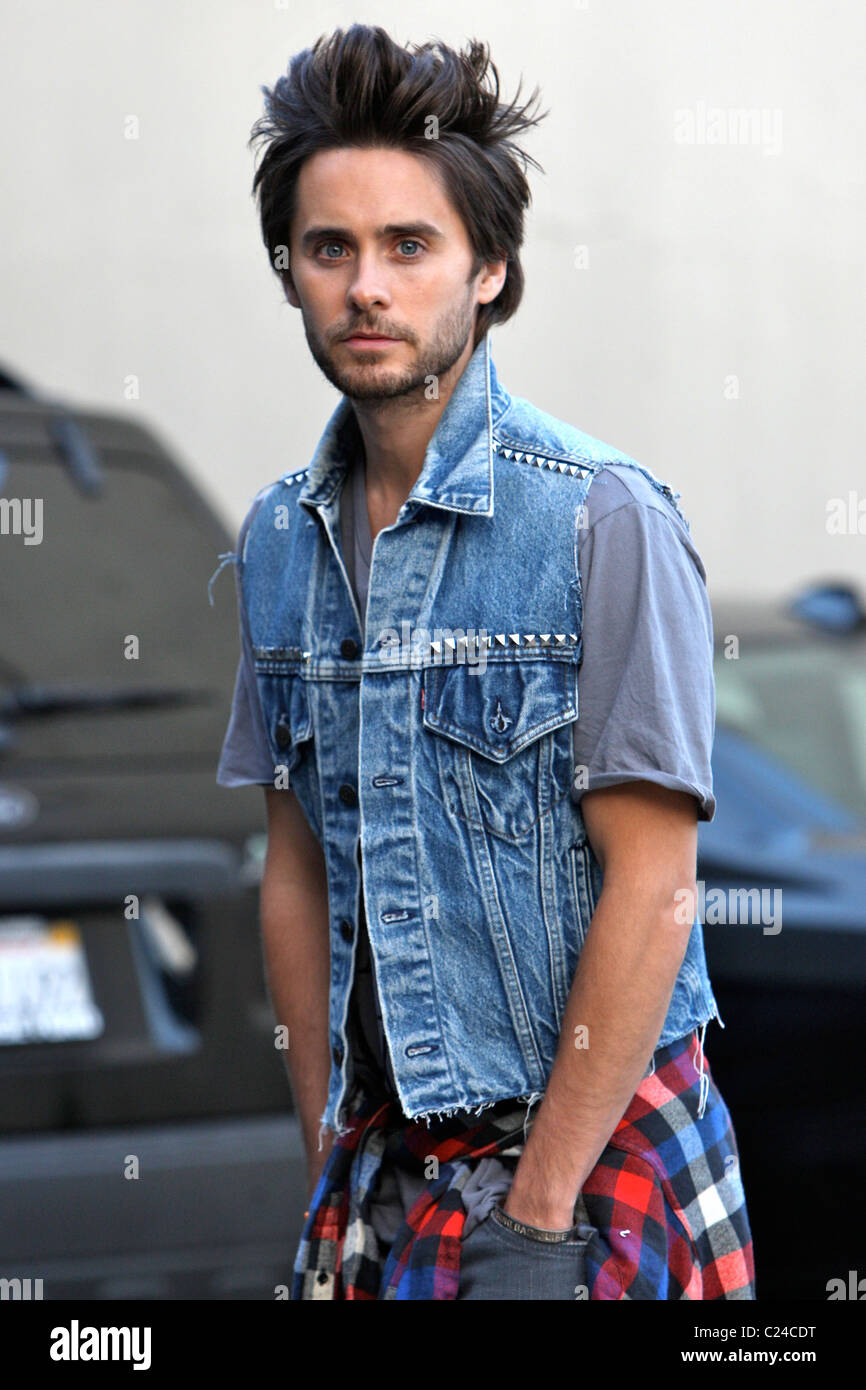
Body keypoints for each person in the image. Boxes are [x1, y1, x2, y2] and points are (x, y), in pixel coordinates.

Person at [213, 23, 755, 1300]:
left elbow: (656, 881)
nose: (366, 288)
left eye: (410, 245)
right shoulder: (278, 541)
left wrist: (541, 1212)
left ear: (489, 269)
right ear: (287, 269)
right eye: (328, 247)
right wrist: (326, 1152)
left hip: (587, 1163)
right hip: (385, 1168)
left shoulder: (598, 516)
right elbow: (293, 868)